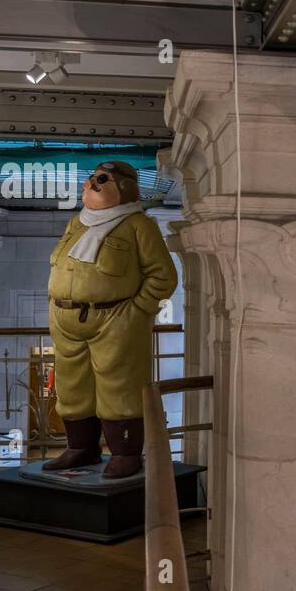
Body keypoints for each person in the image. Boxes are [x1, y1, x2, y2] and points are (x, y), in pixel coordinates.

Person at [45, 160, 178, 479]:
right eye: (91, 178)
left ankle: (126, 453)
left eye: (102, 179)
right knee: (72, 385)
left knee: (120, 386)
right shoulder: (77, 224)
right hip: (66, 319)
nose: (91, 184)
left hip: (115, 319)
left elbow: (162, 276)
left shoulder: (138, 226)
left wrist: (135, 312)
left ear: (125, 188)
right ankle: (81, 448)